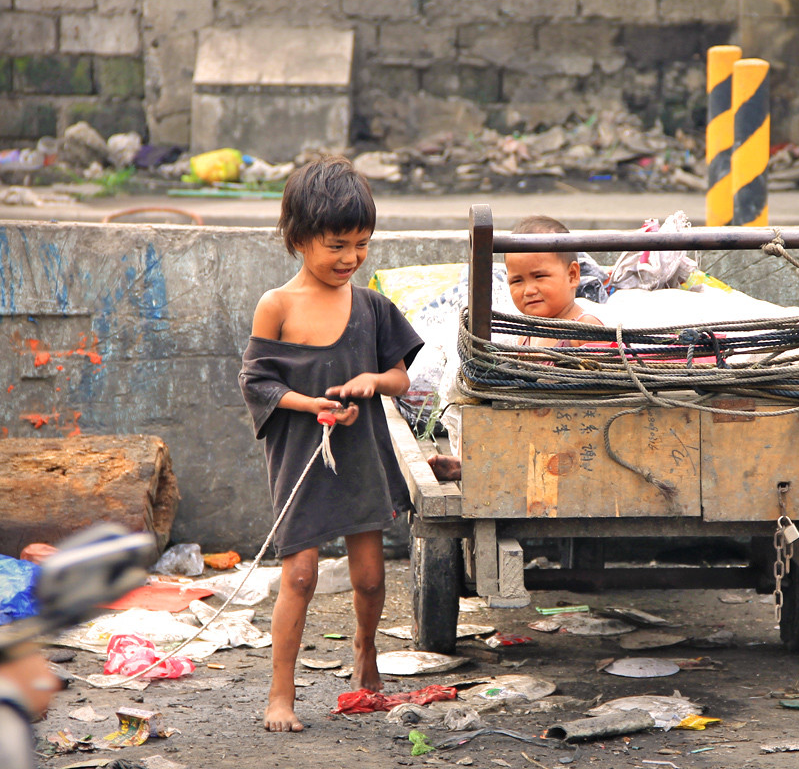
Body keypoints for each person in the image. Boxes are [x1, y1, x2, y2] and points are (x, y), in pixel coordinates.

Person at [239, 156, 423, 733]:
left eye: (362, 245)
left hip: (362, 454)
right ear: (298, 239)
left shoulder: (370, 306)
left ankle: (366, 655)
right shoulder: (278, 305)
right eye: (337, 245)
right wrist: (309, 403)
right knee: (299, 577)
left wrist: (372, 381)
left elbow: (399, 379)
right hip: (301, 458)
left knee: (370, 576)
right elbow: (257, 382)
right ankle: (280, 695)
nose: (350, 259)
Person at [426, 214, 600, 482]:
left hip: (579, 434)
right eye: (517, 281)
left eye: (539, 276)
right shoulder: (525, 338)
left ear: (572, 275)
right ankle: (474, 462)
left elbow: (608, 391)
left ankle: (478, 464)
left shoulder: (583, 328)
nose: (529, 290)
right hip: (535, 429)